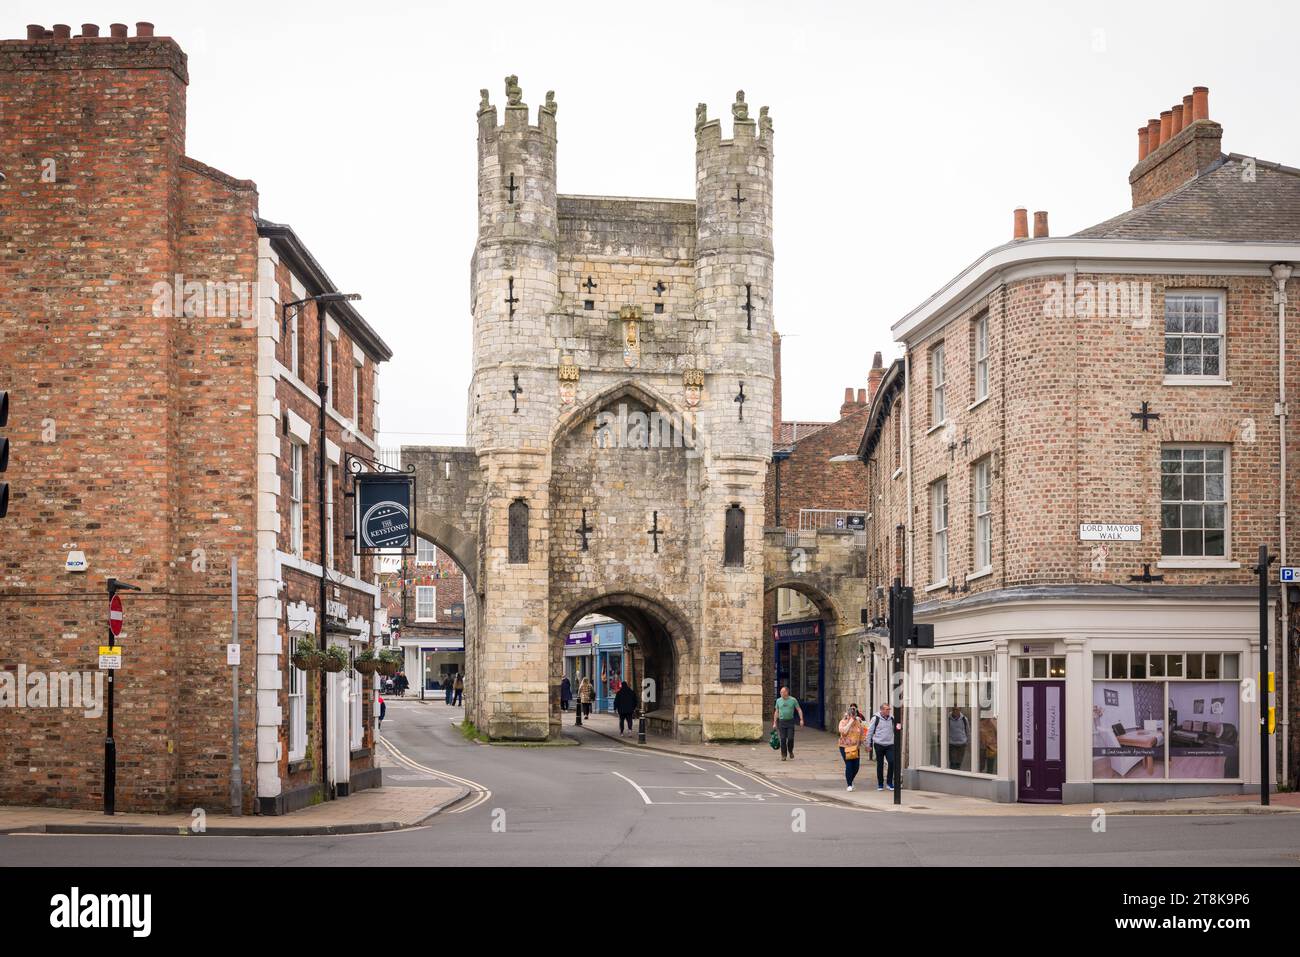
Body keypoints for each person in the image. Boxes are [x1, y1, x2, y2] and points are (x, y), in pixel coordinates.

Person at [867, 702, 897, 790]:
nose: (888, 711)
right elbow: (870, 732)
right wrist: (868, 744)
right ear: (882, 710)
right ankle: (880, 784)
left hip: (890, 744)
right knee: (880, 764)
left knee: (891, 762)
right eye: (887, 709)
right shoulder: (875, 718)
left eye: (889, 709)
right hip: (879, 744)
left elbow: (897, 729)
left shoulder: (892, 718)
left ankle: (889, 783)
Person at [837, 704, 866, 791]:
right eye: (852, 714)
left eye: (854, 714)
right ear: (848, 714)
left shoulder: (858, 722)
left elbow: (861, 733)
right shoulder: (843, 722)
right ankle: (849, 784)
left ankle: (850, 779)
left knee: (856, 767)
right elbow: (843, 731)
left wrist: (865, 744)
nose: (853, 716)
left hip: (855, 747)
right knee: (849, 765)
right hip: (845, 747)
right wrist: (850, 722)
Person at [771, 686, 804, 761]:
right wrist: (774, 723)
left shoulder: (793, 700)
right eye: (780, 692)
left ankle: (790, 751)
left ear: (787, 692)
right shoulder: (778, 700)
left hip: (790, 722)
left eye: (782, 692)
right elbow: (776, 712)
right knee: (782, 739)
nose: (781, 693)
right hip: (782, 722)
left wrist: (801, 719)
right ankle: (784, 755)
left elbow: (799, 709)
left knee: (790, 738)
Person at [948, 704, 970, 770]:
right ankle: (952, 774)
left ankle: (958, 772)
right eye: (954, 710)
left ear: (960, 710)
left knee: (959, 762)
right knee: (952, 761)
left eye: (957, 710)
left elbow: (968, 731)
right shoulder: (948, 719)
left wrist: (968, 741)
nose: (955, 711)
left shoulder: (964, 719)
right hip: (952, 743)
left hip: (962, 743)